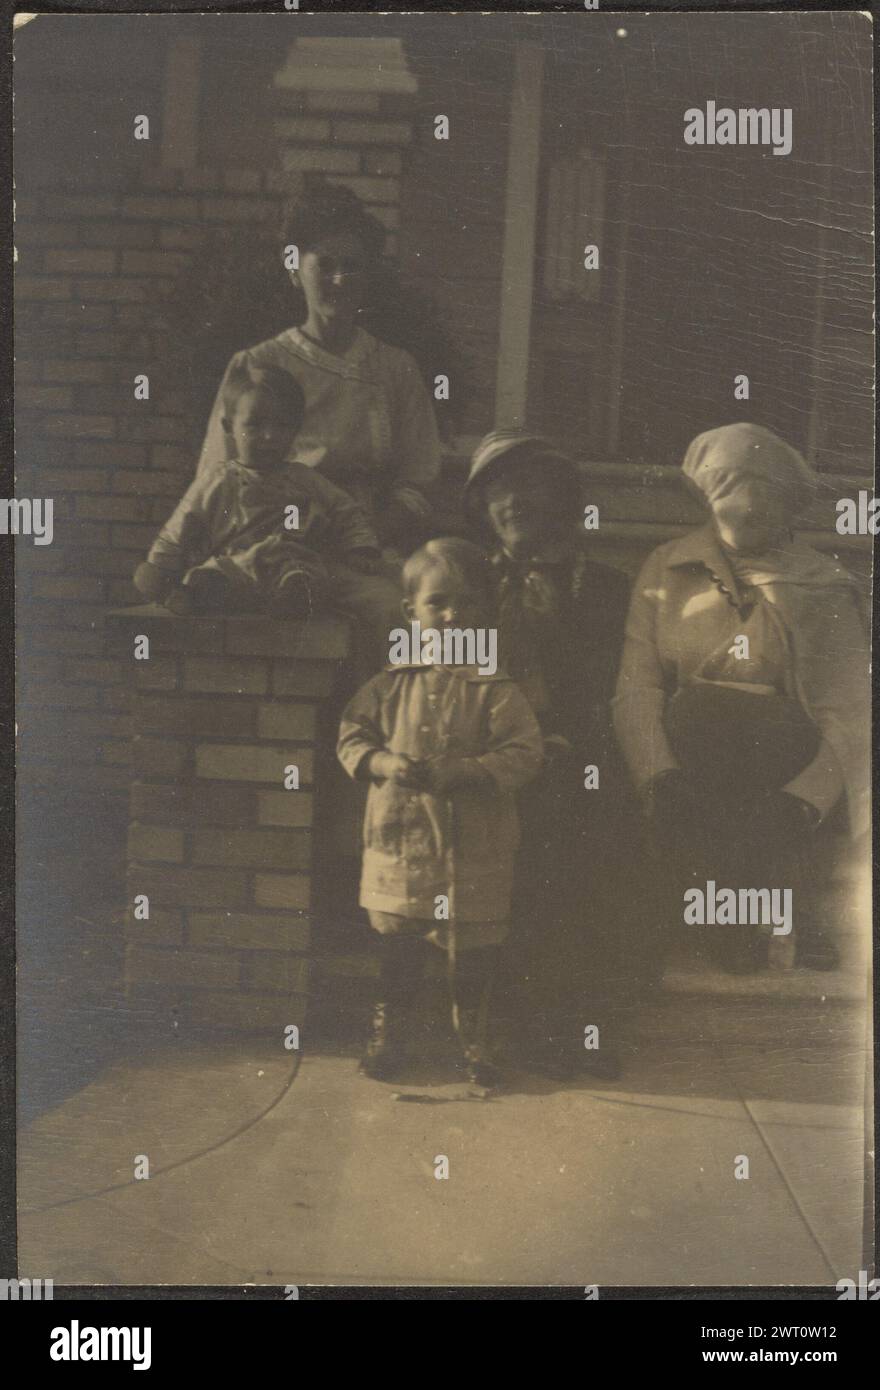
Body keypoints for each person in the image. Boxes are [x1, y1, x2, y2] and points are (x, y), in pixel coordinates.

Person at [612, 422, 870, 975]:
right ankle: (741, 914)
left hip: (783, 753)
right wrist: (657, 773)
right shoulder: (668, 568)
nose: (750, 517)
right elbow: (638, 684)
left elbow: (850, 706)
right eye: (735, 506)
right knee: (698, 721)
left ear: (788, 509)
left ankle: (772, 904)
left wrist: (807, 797)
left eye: (765, 507)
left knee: (761, 763)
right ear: (711, 503)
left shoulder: (820, 582)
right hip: (694, 747)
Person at [336, 537, 544, 1088]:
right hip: (402, 842)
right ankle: (390, 1036)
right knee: (398, 943)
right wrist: (383, 762)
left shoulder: (496, 690)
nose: (454, 616)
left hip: (473, 845)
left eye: (469, 604)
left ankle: (477, 1039)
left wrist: (472, 770)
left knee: (472, 949)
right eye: (439, 604)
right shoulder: (386, 686)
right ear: (412, 613)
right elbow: (351, 738)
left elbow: (526, 751)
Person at [463, 430, 637, 1079]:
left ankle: (577, 1028)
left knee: (583, 834)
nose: (508, 503)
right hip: (490, 752)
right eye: (495, 492)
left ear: (560, 499)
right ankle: (509, 1027)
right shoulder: (471, 583)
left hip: (581, 758)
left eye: (524, 487)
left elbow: (613, 690)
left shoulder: (609, 589)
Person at [196, 183, 441, 551]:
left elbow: (419, 479)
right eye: (324, 265)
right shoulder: (257, 366)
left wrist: (369, 536)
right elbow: (218, 479)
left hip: (369, 543)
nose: (339, 280)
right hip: (270, 545)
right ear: (295, 271)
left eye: (352, 267)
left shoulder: (396, 369)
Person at [133, 358, 397, 649]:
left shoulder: (304, 479)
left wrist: (359, 546)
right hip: (239, 565)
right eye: (255, 425)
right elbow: (181, 524)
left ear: (296, 429)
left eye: (282, 426)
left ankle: (296, 597)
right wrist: (160, 567)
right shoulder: (217, 481)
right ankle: (196, 595)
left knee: (307, 575)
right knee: (212, 576)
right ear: (229, 425)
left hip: (292, 560)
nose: (269, 436)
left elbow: (345, 511)